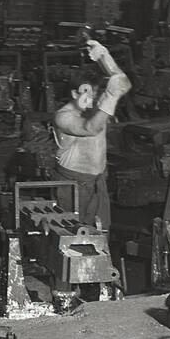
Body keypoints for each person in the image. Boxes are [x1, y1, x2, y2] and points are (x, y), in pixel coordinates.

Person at [51, 38, 131, 231]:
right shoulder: (63, 117)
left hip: (97, 181)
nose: (92, 98)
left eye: (94, 93)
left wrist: (105, 57)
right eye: (86, 93)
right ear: (73, 94)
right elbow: (89, 128)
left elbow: (123, 84)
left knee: (100, 234)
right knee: (71, 235)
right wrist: (110, 98)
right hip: (73, 185)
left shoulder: (95, 107)